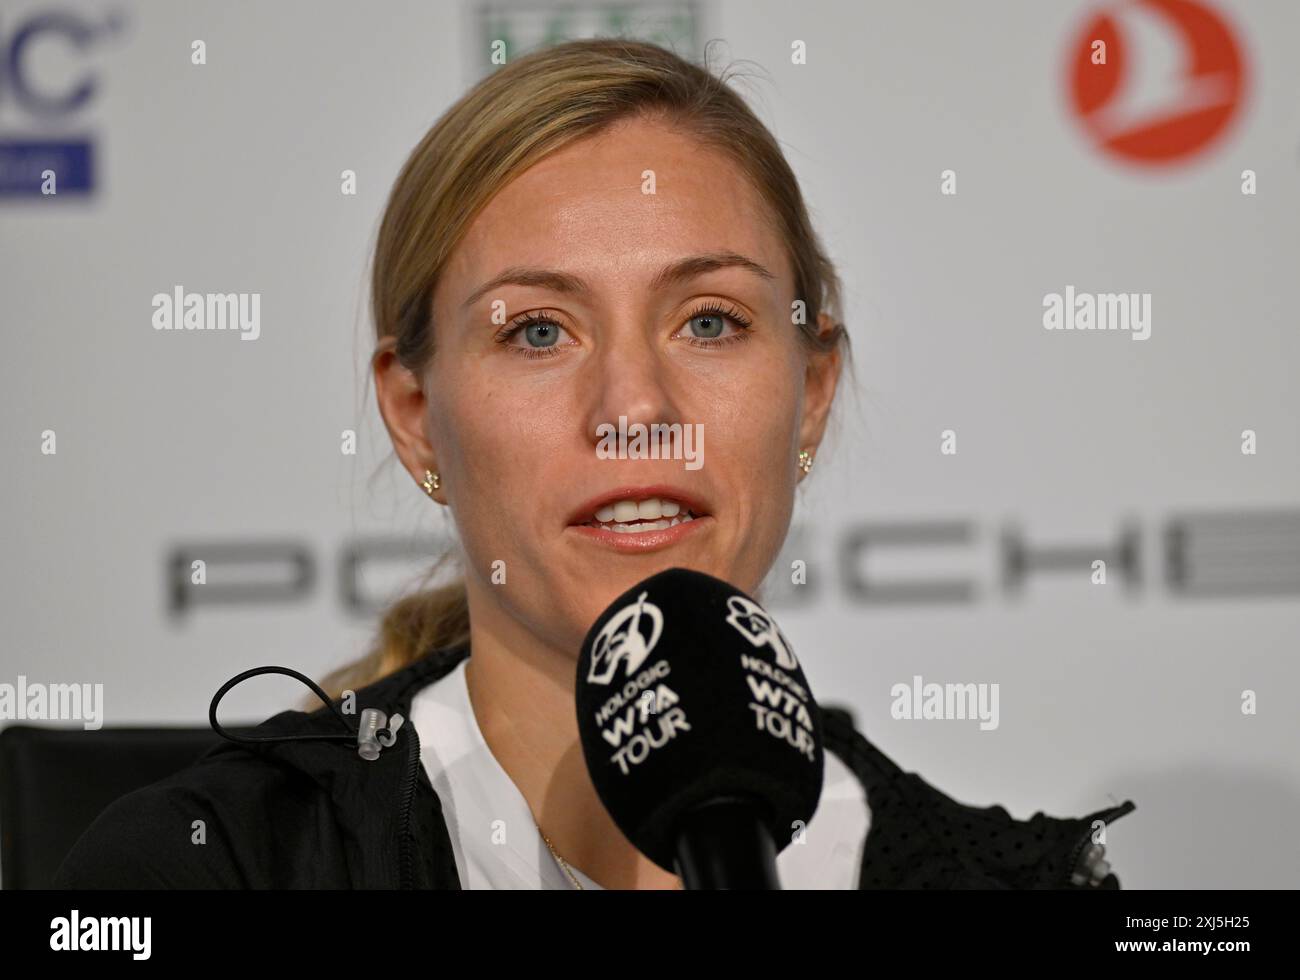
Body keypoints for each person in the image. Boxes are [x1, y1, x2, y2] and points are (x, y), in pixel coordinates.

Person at [53, 37, 1133, 890]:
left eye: (708, 321)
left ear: (809, 390)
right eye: (536, 330)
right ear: (417, 412)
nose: (633, 410)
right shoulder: (212, 868)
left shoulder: (1010, 882)